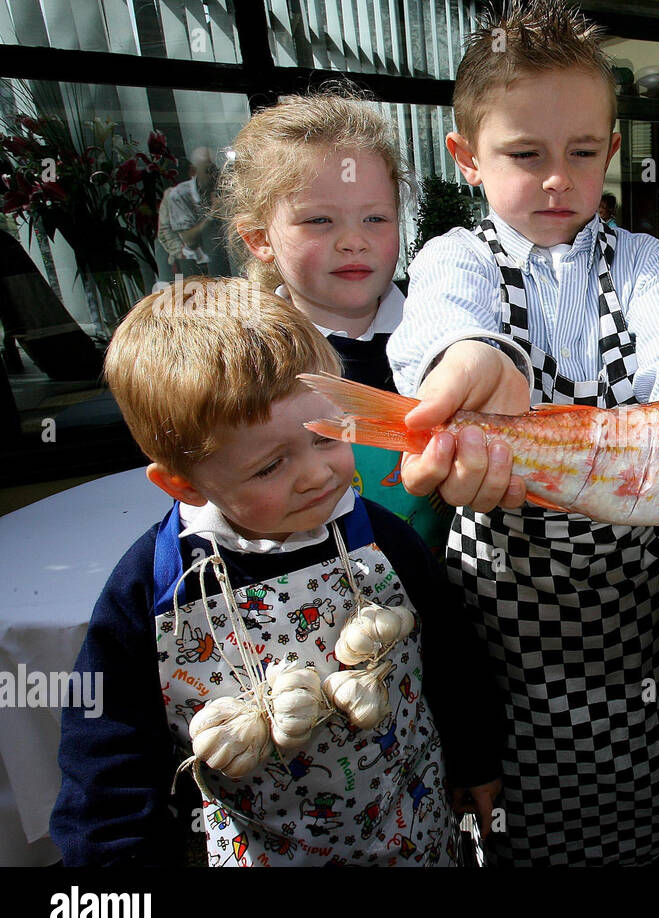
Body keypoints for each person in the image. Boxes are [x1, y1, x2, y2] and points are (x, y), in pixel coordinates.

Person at [387, 0, 659, 866]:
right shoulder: (454, 256)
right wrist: (471, 359)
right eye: (526, 155)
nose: (558, 179)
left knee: (639, 801)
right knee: (514, 810)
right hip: (497, 612)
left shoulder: (649, 265)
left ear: (613, 150)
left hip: (623, 603)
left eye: (583, 153)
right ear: (466, 158)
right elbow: (443, 323)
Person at [49, 279, 503, 865]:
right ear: (182, 484)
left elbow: (450, 654)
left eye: (328, 436)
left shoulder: (381, 537)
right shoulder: (152, 589)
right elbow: (106, 755)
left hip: (415, 833)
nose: (318, 475)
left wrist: (475, 759)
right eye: (269, 466)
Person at [219, 91, 455, 562]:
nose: (353, 241)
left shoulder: (449, 334)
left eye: (375, 217)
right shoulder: (245, 364)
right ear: (259, 239)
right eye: (320, 220)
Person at [164, 146, 230, 276]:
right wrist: (212, 216)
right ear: (193, 172)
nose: (213, 176)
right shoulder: (180, 195)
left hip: (223, 260)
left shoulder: (222, 187)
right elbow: (189, 240)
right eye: (208, 171)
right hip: (195, 267)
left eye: (215, 171)